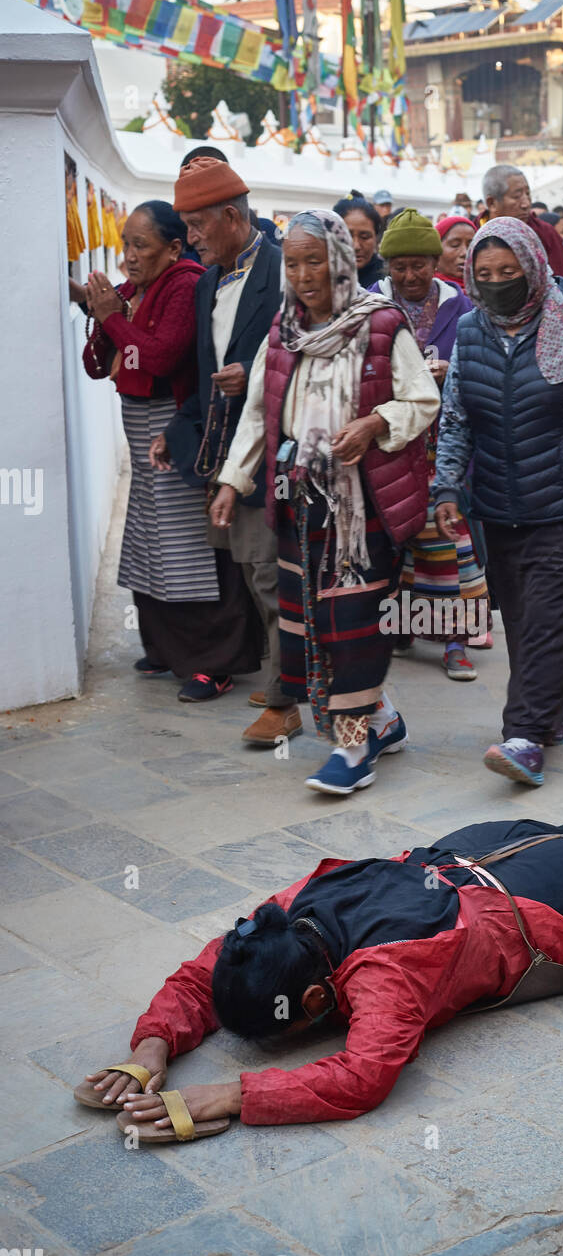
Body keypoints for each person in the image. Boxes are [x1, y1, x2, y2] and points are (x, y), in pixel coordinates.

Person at [78, 759, 563, 1138]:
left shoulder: (385, 975)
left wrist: (237, 1094)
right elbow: (206, 971)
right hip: (477, 853)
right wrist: (150, 1050)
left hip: (550, 906)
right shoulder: (288, 913)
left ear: (315, 1000)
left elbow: (363, 1076)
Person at [208, 210, 440, 796]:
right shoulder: (282, 332)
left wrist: (372, 423)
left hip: (361, 507)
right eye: (293, 263)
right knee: (311, 622)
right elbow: (260, 413)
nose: (305, 275)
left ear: (341, 259)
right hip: (300, 501)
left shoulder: (382, 324)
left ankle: (353, 744)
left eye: (315, 260)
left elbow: (422, 399)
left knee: (355, 622)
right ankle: (381, 718)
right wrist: (233, 481)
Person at [433, 218, 563, 787]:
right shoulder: (472, 331)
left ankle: (523, 736)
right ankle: (558, 705)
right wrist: (447, 484)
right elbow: (456, 418)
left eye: (509, 271)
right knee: (524, 622)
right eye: (485, 274)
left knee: (550, 619)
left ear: (531, 266)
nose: (498, 282)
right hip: (501, 504)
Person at [82, 202, 263, 699]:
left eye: (141, 245)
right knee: (150, 541)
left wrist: (115, 320)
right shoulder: (135, 292)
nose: (129, 256)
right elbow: (98, 365)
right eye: (125, 245)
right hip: (139, 426)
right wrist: (103, 317)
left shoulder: (184, 284)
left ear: (175, 248)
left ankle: (217, 660)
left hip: (174, 424)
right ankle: (167, 647)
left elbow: (159, 357)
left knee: (192, 546)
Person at [160, 156, 289, 736]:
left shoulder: (284, 269)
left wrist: (259, 373)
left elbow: (306, 353)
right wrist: (178, 428)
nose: (190, 240)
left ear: (232, 216)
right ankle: (280, 669)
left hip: (270, 445)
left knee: (267, 567)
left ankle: (288, 688)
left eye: (197, 227)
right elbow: (203, 369)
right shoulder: (209, 281)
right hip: (222, 448)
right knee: (244, 565)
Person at [369, 209, 484, 681]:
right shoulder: (370, 307)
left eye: (420, 264)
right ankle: (399, 628)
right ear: (386, 267)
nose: (410, 275)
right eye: (399, 266)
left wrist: (451, 372)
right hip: (389, 440)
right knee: (394, 538)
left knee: (445, 538)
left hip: (446, 442)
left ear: (435, 261)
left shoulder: (464, 309)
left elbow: (483, 364)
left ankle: (455, 641)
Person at [481, 165, 563, 299]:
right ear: (492, 203)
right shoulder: (474, 235)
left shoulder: (545, 233)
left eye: (528, 194)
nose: (526, 203)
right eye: (517, 196)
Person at [332, 196, 385, 288]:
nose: (356, 246)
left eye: (365, 237)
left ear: (376, 238)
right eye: (348, 236)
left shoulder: (388, 282)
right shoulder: (323, 276)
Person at [434, 214, 477, 291]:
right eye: (455, 245)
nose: (465, 253)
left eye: (471, 246)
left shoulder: (485, 291)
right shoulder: (427, 292)